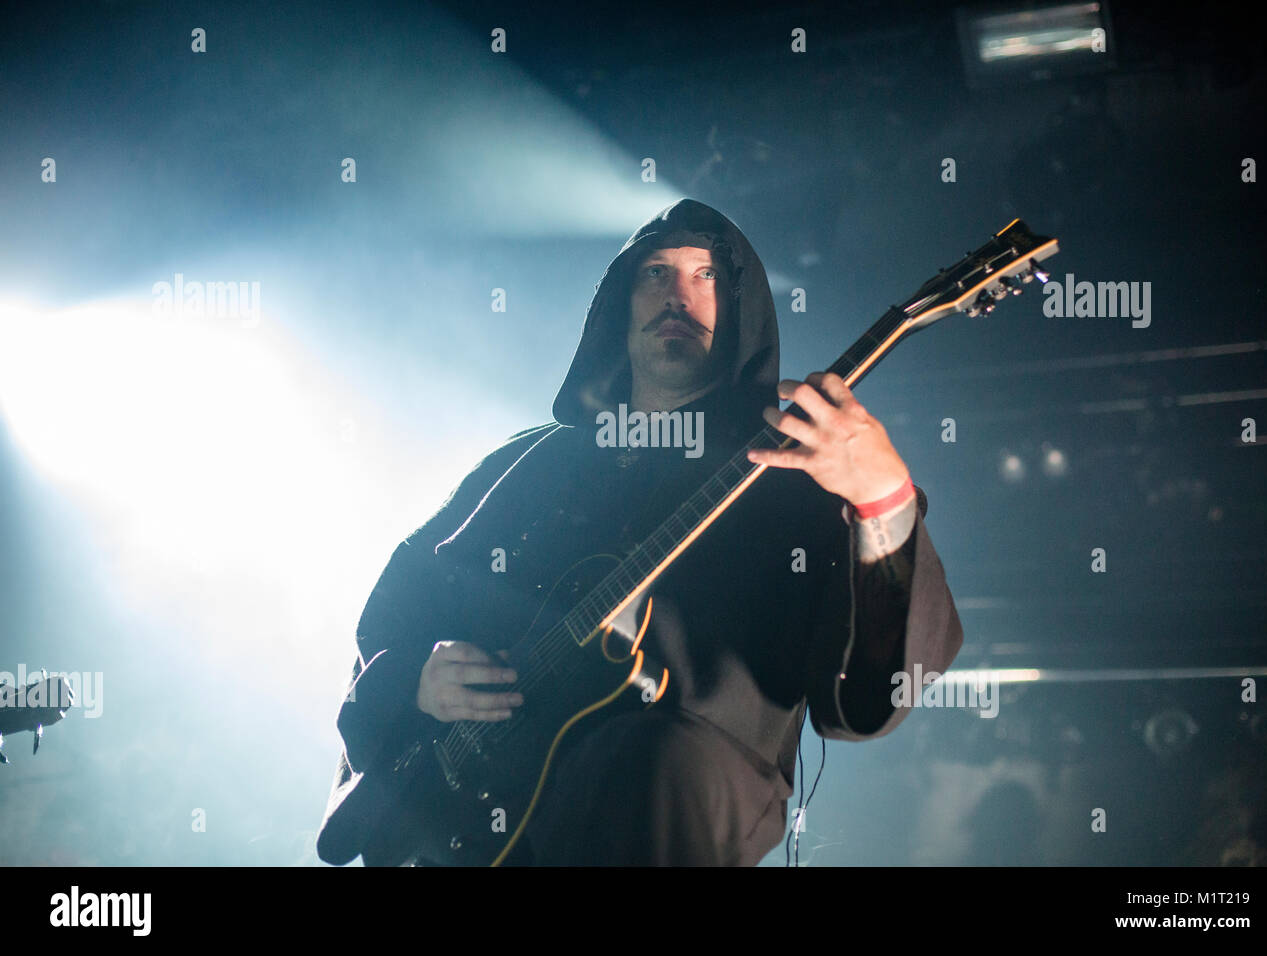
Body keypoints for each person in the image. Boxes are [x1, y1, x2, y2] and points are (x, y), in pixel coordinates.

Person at [315, 198, 964, 866]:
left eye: (706, 275)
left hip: (667, 797)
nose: (678, 295)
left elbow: (869, 699)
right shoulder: (523, 467)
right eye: (656, 273)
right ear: (615, 307)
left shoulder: (797, 478)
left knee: (648, 758)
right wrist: (415, 680)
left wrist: (881, 497)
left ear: (742, 306)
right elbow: (398, 609)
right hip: (475, 808)